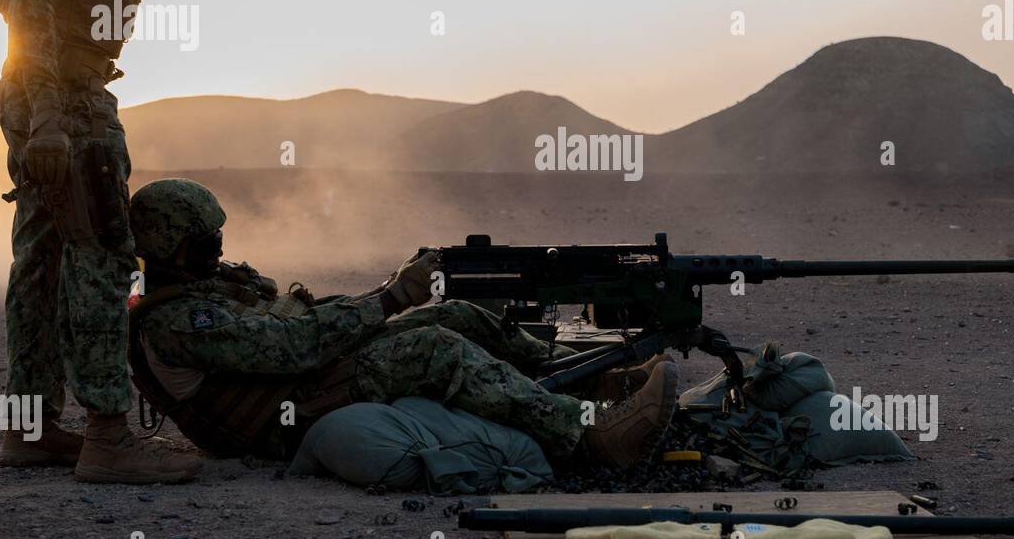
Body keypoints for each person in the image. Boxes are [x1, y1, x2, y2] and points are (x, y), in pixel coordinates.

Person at [125, 178, 679, 469]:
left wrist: (390, 295)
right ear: (170, 246)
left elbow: (304, 321)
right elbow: (293, 346)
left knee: (458, 315)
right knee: (434, 349)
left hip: (302, 386)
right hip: (283, 420)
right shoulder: (178, 320)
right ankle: (591, 440)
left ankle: (590, 384)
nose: (219, 247)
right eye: (205, 241)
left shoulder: (204, 287)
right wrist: (391, 299)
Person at [0, 0, 199, 483]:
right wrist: (48, 120)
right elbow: (33, 13)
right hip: (63, 102)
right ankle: (108, 434)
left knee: (41, 257)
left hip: (53, 95)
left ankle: (31, 428)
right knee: (102, 253)